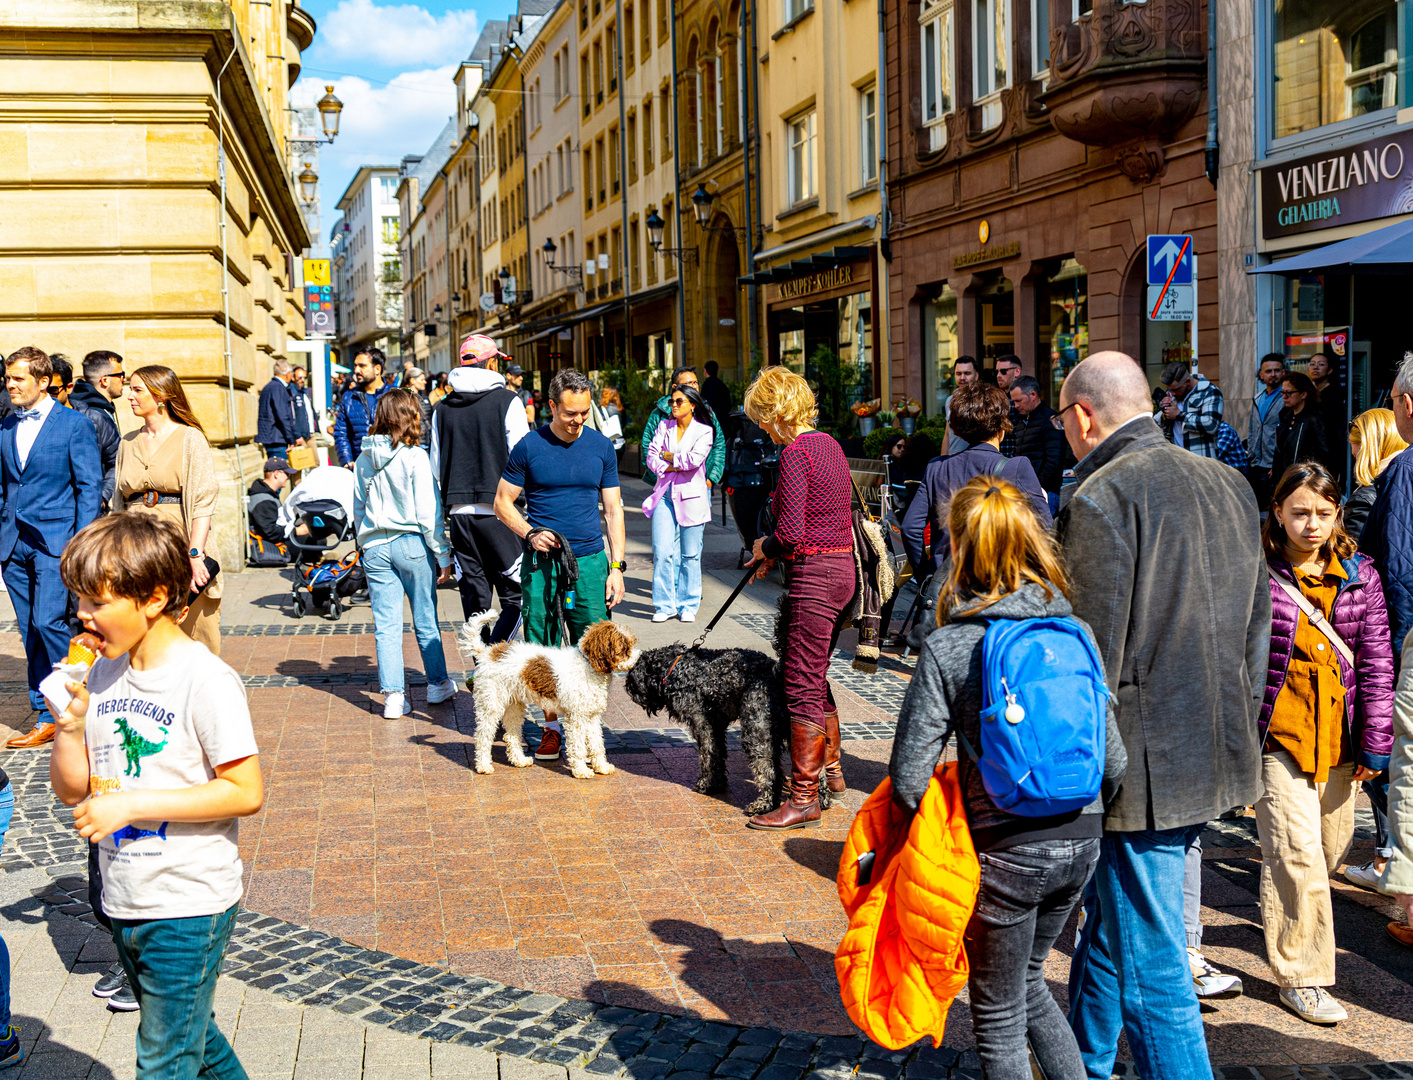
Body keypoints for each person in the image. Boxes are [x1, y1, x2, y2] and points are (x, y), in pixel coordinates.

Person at [1055, 352, 1267, 1079]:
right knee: (1117, 925)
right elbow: (1257, 628)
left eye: (1064, 418)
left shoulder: (1101, 494)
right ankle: (1080, 1063)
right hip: (1213, 744)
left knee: (1151, 964)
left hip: (1141, 767)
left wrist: (1080, 777)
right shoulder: (1228, 480)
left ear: (1084, 416)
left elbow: (1091, 661)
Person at [892, 476, 1126, 1080]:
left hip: (1005, 847)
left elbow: (910, 779)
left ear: (957, 547)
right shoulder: (1076, 634)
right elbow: (1115, 761)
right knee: (1031, 984)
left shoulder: (950, 646)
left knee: (997, 1014)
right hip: (1082, 838)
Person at [48, 512, 262, 1080]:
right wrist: (69, 727)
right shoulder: (101, 672)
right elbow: (72, 790)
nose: (82, 614)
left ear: (155, 598)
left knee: (164, 1058)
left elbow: (245, 791)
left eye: (96, 601)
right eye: (79, 599)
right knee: (195, 1038)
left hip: (187, 901)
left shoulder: (205, 680)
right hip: (124, 895)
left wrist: (132, 804)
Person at [1253, 461, 1394, 1023]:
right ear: (1277, 512)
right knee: (1297, 854)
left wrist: (1376, 743)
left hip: (1338, 736)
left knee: (1327, 851)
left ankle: (1289, 919)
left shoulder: (1361, 575)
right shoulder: (1256, 570)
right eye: (1299, 513)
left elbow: (1377, 663)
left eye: (1323, 513)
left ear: (1337, 514)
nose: (1311, 525)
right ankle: (1304, 976)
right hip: (1278, 731)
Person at [740, 368, 856, 831]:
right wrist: (772, 552)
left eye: (761, 419)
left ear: (775, 412)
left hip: (816, 576)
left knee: (800, 683)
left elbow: (789, 533)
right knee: (813, 671)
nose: (761, 429)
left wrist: (762, 547)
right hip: (841, 571)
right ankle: (834, 771)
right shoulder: (830, 445)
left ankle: (804, 797)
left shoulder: (796, 452)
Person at [494, 368, 626, 763]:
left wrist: (616, 566)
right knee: (545, 648)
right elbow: (502, 503)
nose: (578, 420)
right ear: (551, 406)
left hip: (589, 562)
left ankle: (588, 728)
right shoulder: (529, 447)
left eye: (584, 412)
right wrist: (529, 532)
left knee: (596, 646)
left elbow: (614, 510)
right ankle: (551, 730)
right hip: (543, 563)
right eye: (570, 413)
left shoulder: (601, 447)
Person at [0, 347, 101, 748]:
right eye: (8, 378)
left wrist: (81, 542)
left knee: (49, 623)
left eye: (18, 378)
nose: (9, 385)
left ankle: (74, 707)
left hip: (58, 543)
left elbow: (89, 487)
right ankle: (45, 714)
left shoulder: (75, 425)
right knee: (29, 630)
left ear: (43, 382)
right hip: (13, 544)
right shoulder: (7, 425)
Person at [354, 390, 457, 719]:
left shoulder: (363, 457)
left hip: (374, 545)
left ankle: (394, 698)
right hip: (411, 542)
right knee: (425, 619)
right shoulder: (414, 456)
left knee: (386, 626)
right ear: (408, 416)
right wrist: (443, 554)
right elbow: (429, 512)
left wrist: (363, 541)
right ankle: (438, 684)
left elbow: (358, 507)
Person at [115, 366, 224, 655]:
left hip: (179, 540)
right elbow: (118, 502)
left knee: (195, 629)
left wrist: (195, 554)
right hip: (136, 547)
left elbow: (202, 502)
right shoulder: (126, 442)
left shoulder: (190, 438)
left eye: (137, 390)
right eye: (129, 389)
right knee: (142, 627)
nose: (129, 396)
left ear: (161, 396)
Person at [430, 333, 530, 640]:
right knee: (517, 596)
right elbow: (523, 457)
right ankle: (494, 656)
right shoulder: (508, 401)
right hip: (502, 513)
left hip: (460, 515)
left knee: (475, 602)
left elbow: (435, 466)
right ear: (492, 363)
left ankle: (483, 660)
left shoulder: (441, 409)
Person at [902, 383, 1050, 577]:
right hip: (996, 580)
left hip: (946, 580)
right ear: (1002, 425)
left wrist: (926, 575)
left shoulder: (937, 467)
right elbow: (1044, 528)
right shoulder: (1017, 467)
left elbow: (910, 528)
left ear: (959, 428)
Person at [643, 384, 715, 622]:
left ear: (692, 405)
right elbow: (651, 457)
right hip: (664, 495)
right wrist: (671, 463)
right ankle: (665, 606)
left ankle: (688, 605)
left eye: (679, 401)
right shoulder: (664, 427)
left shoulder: (704, 431)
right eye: (672, 402)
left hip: (692, 498)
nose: (673, 406)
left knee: (690, 555)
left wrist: (667, 457)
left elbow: (694, 460)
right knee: (662, 552)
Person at [1365, 353, 1413, 664]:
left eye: (1391, 401)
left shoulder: (1405, 469)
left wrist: (1400, 655)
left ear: (1407, 404)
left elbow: (1401, 571)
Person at [50, 355, 119, 511]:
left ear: (69, 387)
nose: (46, 396)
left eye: (53, 390)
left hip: (88, 509)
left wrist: (101, 498)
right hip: (50, 512)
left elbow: (118, 462)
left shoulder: (94, 419)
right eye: (41, 390)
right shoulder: (30, 422)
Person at [641, 367, 726, 486]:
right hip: (666, 484)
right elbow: (647, 449)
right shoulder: (660, 415)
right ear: (675, 387)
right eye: (689, 383)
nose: (694, 386)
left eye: (696, 382)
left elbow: (719, 445)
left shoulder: (706, 412)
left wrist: (711, 478)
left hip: (699, 484)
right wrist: (660, 479)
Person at [1344, 408, 1405, 543]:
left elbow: (1353, 553)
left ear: (1367, 452)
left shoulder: (1364, 500)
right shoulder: (1406, 481)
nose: (1356, 465)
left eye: (1357, 457)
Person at [1009, 375, 1067, 512]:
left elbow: (1054, 460)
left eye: (1019, 401)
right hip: (1026, 492)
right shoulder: (1022, 421)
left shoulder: (1050, 420)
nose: (1016, 406)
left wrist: (1036, 487)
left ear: (1033, 395)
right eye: (1014, 401)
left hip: (1045, 493)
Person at [1271, 371, 1334, 481]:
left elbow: (1323, 454)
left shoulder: (1314, 419)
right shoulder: (1285, 416)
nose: (1284, 397)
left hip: (1304, 479)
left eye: (1289, 393)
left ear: (1303, 394)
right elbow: (1280, 450)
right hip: (1284, 477)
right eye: (1283, 392)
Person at [334, 347, 390, 466]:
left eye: (362, 366)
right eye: (355, 366)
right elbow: (341, 433)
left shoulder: (394, 396)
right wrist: (346, 460)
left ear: (377, 369)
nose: (356, 370)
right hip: (358, 465)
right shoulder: (349, 397)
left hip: (389, 465)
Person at [1157, 361, 1224, 457]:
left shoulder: (1210, 391)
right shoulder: (1174, 394)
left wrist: (1179, 415)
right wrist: (1164, 412)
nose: (1172, 393)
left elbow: (1211, 425)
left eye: (1175, 390)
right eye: (1170, 390)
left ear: (1187, 382)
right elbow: (1158, 424)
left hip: (1200, 460)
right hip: (1176, 458)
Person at [1248, 353, 1286, 507]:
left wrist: (1278, 463)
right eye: (1268, 371)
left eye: (1277, 370)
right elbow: (1252, 429)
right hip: (1256, 463)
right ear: (1261, 374)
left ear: (1283, 372)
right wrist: (1251, 455)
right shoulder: (1257, 398)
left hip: (1273, 464)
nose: (1273, 374)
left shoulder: (1286, 398)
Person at [1309, 353, 1348, 484]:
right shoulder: (1307, 393)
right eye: (1312, 364)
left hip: (1330, 448)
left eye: (1321, 364)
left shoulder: (1335, 394)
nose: (1315, 367)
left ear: (1330, 370)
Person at [256, 358, 304, 462]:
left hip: (271, 437)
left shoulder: (268, 387)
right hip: (277, 439)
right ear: (287, 374)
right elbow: (283, 415)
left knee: (275, 467)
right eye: (291, 374)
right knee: (279, 469)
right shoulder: (278, 388)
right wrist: (291, 439)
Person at [247, 458, 291, 545]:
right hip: (271, 545)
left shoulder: (267, 493)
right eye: (287, 473)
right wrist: (297, 531)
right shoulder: (264, 501)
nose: (288, 477)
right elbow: (271, 533)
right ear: (276, 474)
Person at [944, 356, 980, 453]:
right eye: (958, 373)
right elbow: (947, 435)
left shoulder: (983, 401)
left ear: (976, 376)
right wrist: (943, 459)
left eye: (967, 373)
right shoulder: (950, 400)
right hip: (953, 459)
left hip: (975, 460)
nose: (962, 378)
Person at [994, 354, 1023, 457]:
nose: (998, 375)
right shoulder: (997, 398)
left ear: (1017, 372)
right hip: (999, 458)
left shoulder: (1025, 398)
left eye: (1003, 371)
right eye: (997, 371)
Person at [402, 365, 432, 448]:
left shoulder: (424, 397)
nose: (425, 382)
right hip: (414, 442)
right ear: (412, 380)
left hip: (428, 440)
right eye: (422, 379)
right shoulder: (404, 398)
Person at [701, 359, 733, 430]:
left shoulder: (707, 385)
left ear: (705, 371)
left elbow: (706, 403)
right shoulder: (722, 385)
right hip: (724, 420)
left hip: (712, 421)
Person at [291, 366, 318, 446]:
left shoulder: (305, 392)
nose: (302, 380)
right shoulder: (291, 393)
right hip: (300, 436)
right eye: (300, 378)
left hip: (310, 433)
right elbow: (291, 416)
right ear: (293, 378)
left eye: (304, 378)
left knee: (314, 455)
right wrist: (297, 435)